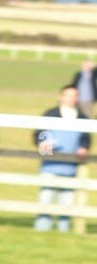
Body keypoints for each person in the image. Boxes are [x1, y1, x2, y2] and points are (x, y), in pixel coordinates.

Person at [35, 85, 91, 232]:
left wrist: (84, 147)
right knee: (45, 199)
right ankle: (41, 229)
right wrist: (43, 145)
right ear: (61, 96)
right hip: (50, 165)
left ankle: (64, 231)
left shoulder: (82, 117)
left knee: (67, 203)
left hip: (70, 167)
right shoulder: (50, 114)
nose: (72, 98)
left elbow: (86, 138)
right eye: (68, 95)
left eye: (74, 95)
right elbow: (38, 134)